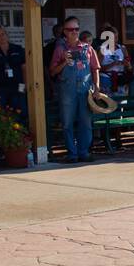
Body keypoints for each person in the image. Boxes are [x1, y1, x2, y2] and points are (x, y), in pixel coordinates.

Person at [48, 16, 102, 162]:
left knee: (86, 122)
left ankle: (83, 152)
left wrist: (97, 87)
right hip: (67, 90)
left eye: (76, 29)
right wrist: (64, 62)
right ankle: (72, 154)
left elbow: (95, 69)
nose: (74, 32)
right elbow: (52, 72)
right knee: (67, 123)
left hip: (85, 91)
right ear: (64, 32)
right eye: (70, 29)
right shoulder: (60, 49)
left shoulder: (88, 48)